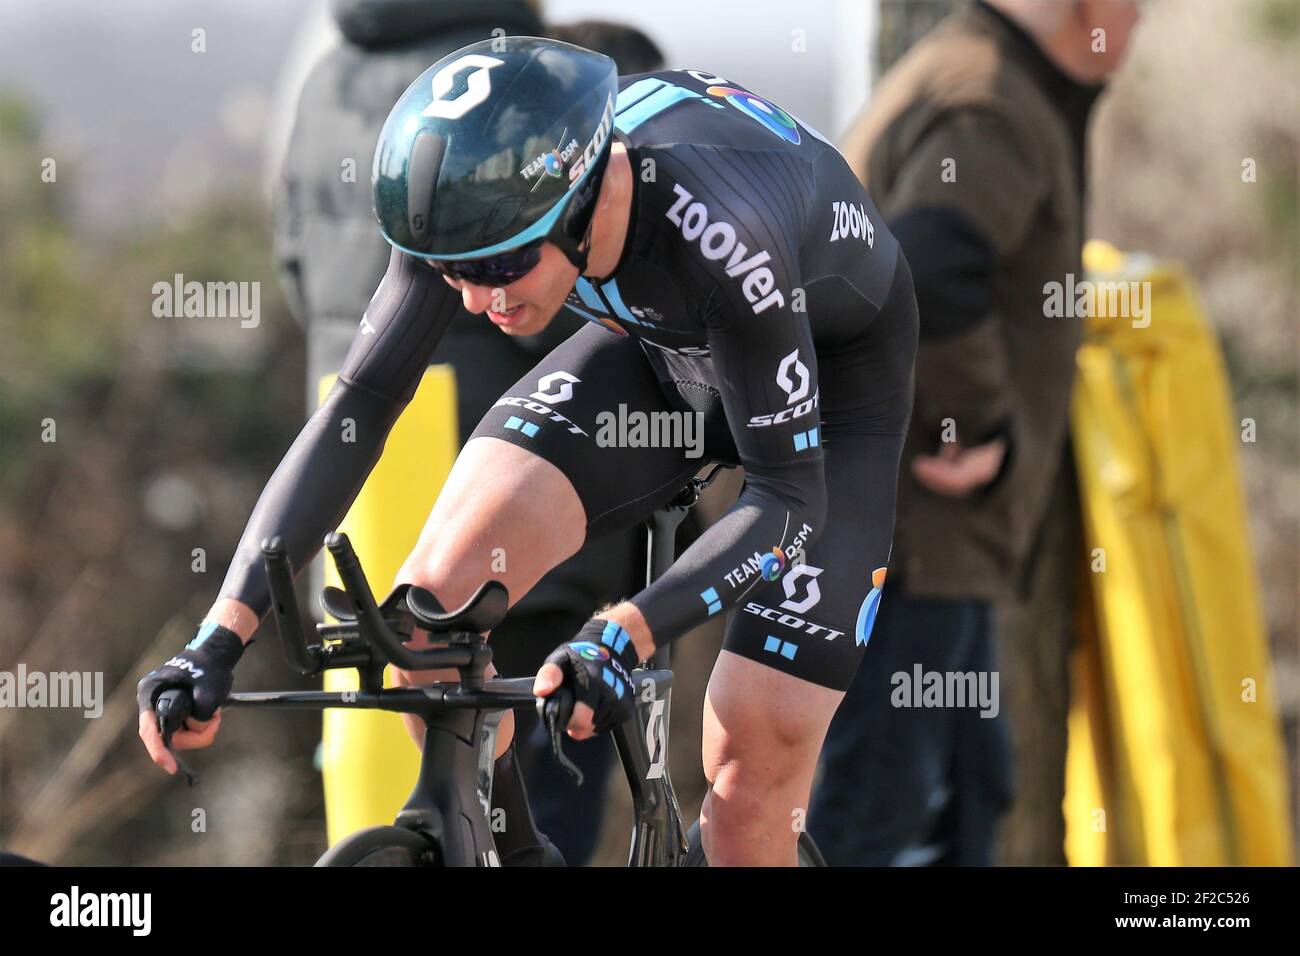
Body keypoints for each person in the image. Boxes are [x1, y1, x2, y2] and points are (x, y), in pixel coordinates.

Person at [139, 36, 917, 866]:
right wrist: (220, 633)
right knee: (429, 611)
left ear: (582, 198)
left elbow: (786, 500)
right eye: (451, 273)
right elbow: (357, 409)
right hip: (660, 349)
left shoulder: (724, 226)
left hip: (827, 404)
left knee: (747, 768)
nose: (478, 300)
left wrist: (625, 633)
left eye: (504, 266)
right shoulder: (471, 204)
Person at [272, 0, 664, 867]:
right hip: (513, 507)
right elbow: (583, 298)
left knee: (384, 780)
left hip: (360, 493)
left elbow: (298, 271)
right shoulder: (517, 84)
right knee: (540, 766)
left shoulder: (324, 82)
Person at [808, 0, 1141, 865]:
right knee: (877, 816)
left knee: (969, 799)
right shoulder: (991, 101)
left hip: (918, 541)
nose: (1141, 20)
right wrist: (977, 427)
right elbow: (929, 266)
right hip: (912, 542)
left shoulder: (978, 75)